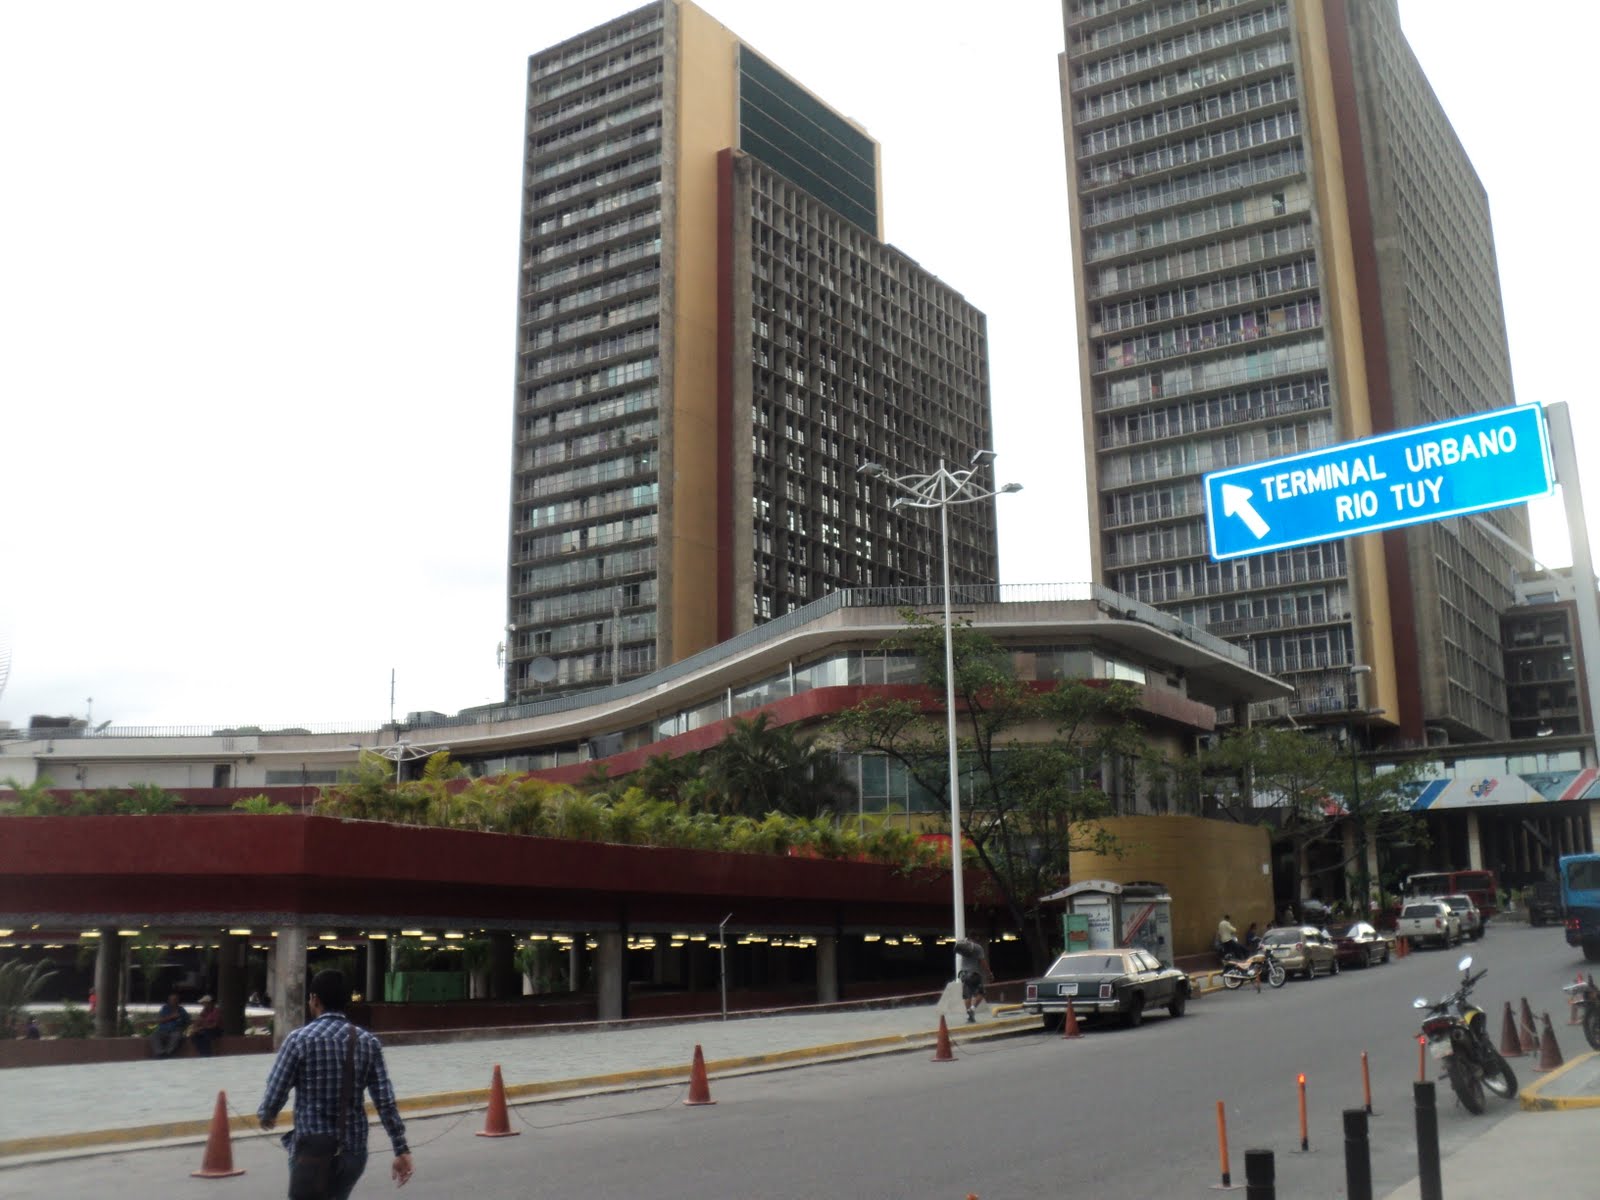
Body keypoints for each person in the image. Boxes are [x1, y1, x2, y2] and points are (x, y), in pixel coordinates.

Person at [259, 969, 413, 1197]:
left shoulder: (298, 1040)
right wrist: (400, 1148)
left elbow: (276, 1089)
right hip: (353, 1152)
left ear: (314, 999)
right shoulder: (367, 1042)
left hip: (311, 1151)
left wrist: (267, 1114)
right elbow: (385, 1100)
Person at [953, 937, 991, 1023]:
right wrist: (989, 973)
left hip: (963, 975)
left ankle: (969, 1016)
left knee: (967, 996)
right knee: (981, 993)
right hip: (974, 974)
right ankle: (972, 1009)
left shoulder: (964, 948)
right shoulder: (978, 948)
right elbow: (982, 962)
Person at [151, 992, 190, 1058]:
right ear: (169, 1001)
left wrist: (182, 1028)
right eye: (171, 1000)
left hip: (175, 1030)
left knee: (176, 1036)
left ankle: (168, 1053)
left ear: (178, 1000)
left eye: (175, 1000)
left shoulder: (181, 1010)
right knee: (154, 1035)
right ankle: (160, 1053)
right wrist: (171, 1017)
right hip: (163, 1030)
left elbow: (187, 1021)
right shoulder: (165, 1008)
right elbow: (159, 1020)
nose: (173, 1001)